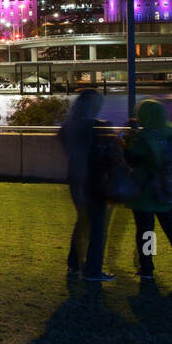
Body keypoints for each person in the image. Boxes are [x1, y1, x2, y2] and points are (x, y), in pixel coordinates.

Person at [123, 100, 172, 281]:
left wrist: (125, 143)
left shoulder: (145, 136)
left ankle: (147, 268)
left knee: (147, 232)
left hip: (147, 192)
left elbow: (134, 161)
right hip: (168, 188)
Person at [58, 89, 114, 281]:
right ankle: (93, 270)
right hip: (97, 181)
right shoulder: (100, 127)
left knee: (82, 223)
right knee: (98, 228)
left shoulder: (68, 127)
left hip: (75, 180)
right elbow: (113, 155)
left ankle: (74, 265)